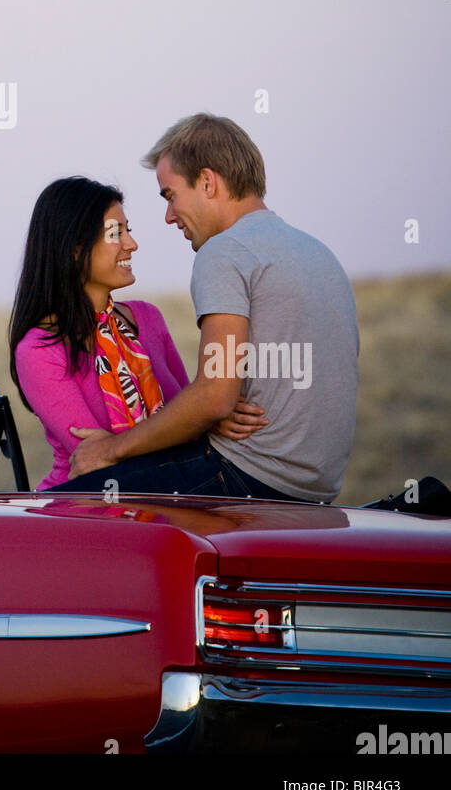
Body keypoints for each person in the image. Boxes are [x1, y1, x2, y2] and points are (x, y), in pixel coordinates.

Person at [54, 114, 360, 504]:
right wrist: (217, 411)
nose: (168, 216)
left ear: (208, 182)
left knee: (64, 506)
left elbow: (215, 394)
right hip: (318, 488)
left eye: (170, 195)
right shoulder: (318, 254)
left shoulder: (224, 252)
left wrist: (109, 450)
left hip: (247, 473)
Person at [9, 176, 265, 491]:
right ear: (75, 248)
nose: (132, 244)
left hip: (167, 503)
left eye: (129, 230)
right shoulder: (40, 350)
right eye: (116, 233)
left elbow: (188, 418)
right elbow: (94, 459)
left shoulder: (148, 319)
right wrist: (194, 423)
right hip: (82, 511)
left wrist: (209, 417)